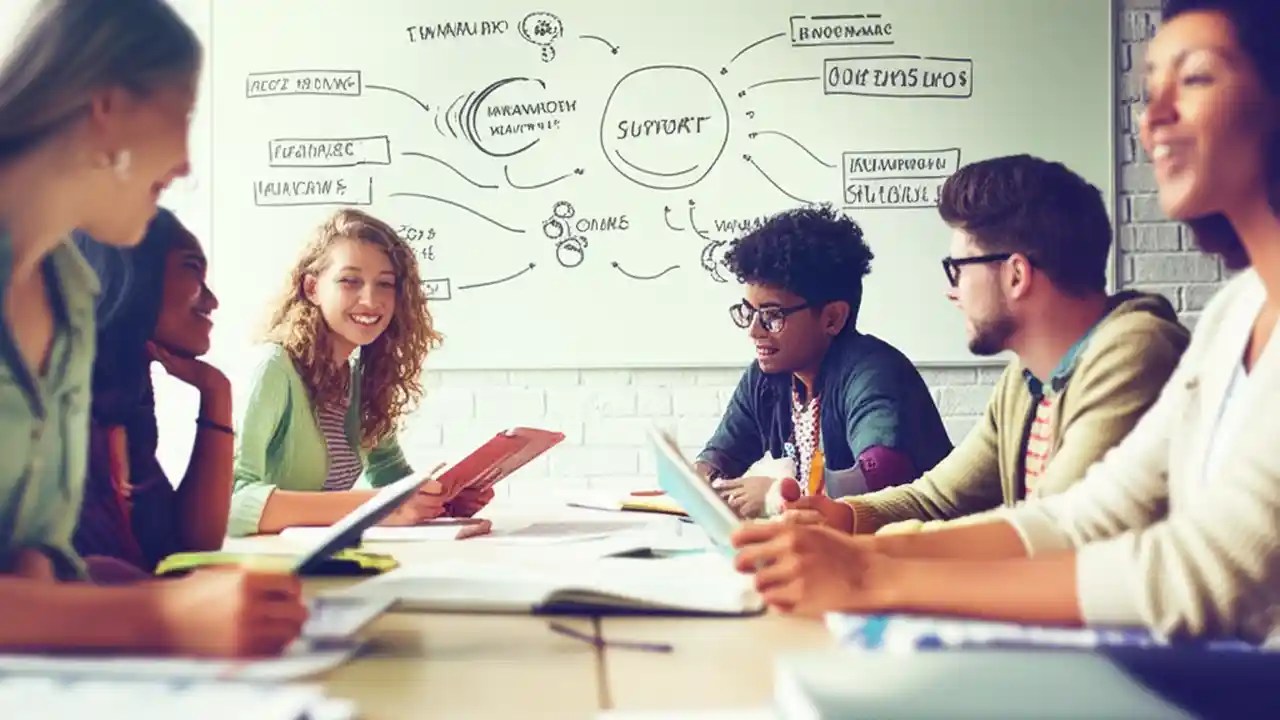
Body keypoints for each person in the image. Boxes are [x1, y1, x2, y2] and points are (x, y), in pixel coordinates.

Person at [730, 0, 1280, 646]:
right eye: (1148, 87)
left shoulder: (1137, 346)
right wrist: (853, 542)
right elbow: (1078, 517)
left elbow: (1197, 572)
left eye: (1194, 79)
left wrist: (871, 576)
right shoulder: (1234, 312)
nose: (1151, 117)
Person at [0, 0, 305, 656]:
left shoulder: (69, 296)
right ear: (107, 105)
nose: (187, 164)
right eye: (181, 117)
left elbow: (32, 568)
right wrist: (158, 618)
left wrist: (166, 601)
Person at [780, 155, 1190, 535]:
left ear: (1016, 274)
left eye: (956, 269)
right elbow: (936, 498)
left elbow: (1051, 533)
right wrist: (840, 516)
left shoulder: (1134, 351)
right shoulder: (1027, 378)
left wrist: (872, 556)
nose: (950, 291)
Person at [229, 208, 486, 536]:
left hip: (319, 559)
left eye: (385, 284)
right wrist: (377, 506)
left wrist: (441, 500)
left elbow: (392, 479)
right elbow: (231, 505)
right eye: (350, 281)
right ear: (311, 288)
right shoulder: (272, 369)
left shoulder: (359, 379)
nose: (371, 299)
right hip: (259, 568)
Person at [696, 204, 953, 519]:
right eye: (748, 312)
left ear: (832, 318)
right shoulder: (767, 377)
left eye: (772, 316)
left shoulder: (874, 373)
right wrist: (702, 480)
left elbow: (883, 478)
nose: (754, 330)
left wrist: (776, 494)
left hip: (916, 553)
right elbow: (720, 455)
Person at [71, 209, 233, 579]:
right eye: (193, 270)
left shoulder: (131, 398)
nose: (212, 301)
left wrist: (216, 393)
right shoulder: (68, 402)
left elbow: (192, 546)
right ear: (134, 275)